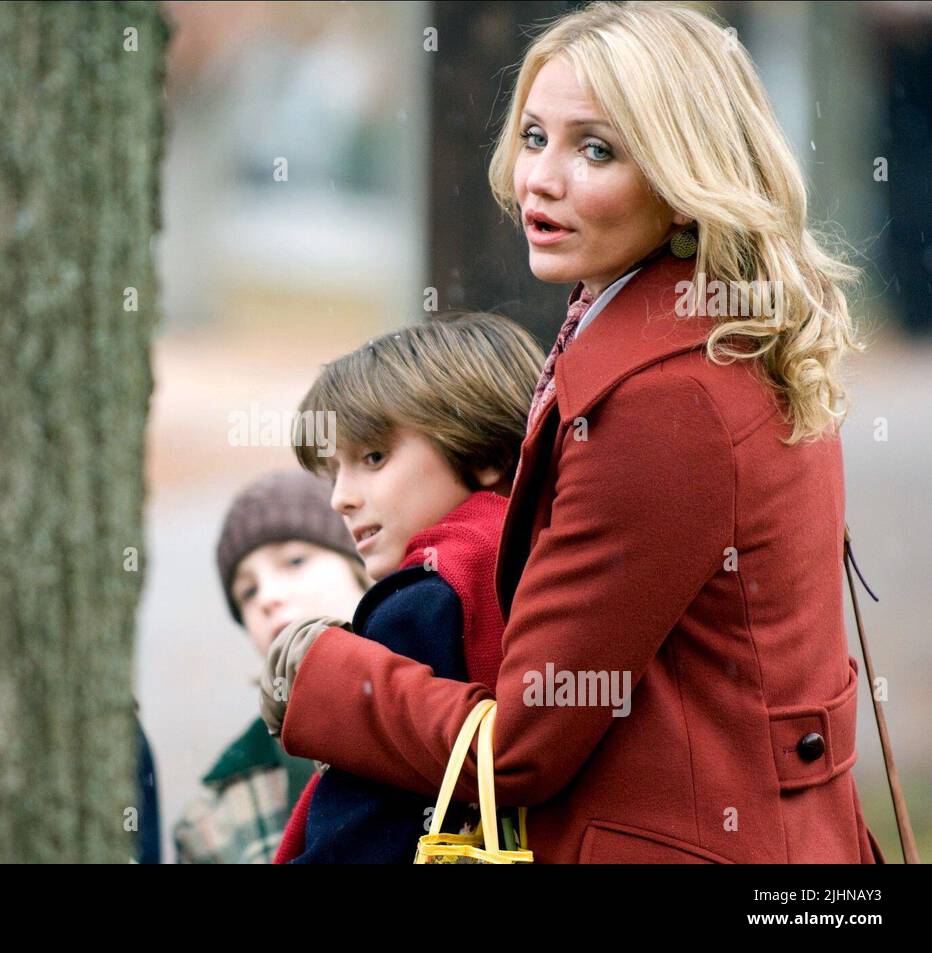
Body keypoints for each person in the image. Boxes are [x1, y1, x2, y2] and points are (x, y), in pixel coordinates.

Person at [264, 1, 884, 863]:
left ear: (681, 179)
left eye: (595, 148)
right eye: (533, 137)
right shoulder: (711, 331)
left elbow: (523, 745)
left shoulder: (664, 401)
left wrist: (328, 671)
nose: (540, 180)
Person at [266, 313, 542, 863]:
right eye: (332, 471)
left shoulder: (425, 598)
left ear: (485, 451)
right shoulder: (548, 556)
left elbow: (362, 832)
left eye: (373, 458)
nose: (340, 498)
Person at [171, 469, 369, 863]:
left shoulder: (461, 702)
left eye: (294, 561)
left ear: (362, 566)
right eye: (248, 590)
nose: (268, 597)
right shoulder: (213, 825)